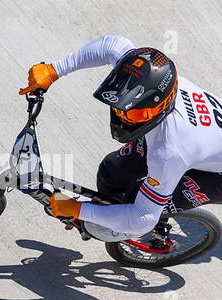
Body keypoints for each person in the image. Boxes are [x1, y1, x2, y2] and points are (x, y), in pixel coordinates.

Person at [21, 36, 222, 241]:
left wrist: (80, 210)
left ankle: (135, 233)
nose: (123, 118)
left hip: (215, 174)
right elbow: (111, 44)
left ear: (161, 107)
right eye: (121, 108)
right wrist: (54, 69)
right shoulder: (147, 77)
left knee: (135, 201)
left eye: (135, 115)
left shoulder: (169, 152)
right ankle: (113, 214)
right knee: (112, 171)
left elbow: (142, 218)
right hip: (196, 140)